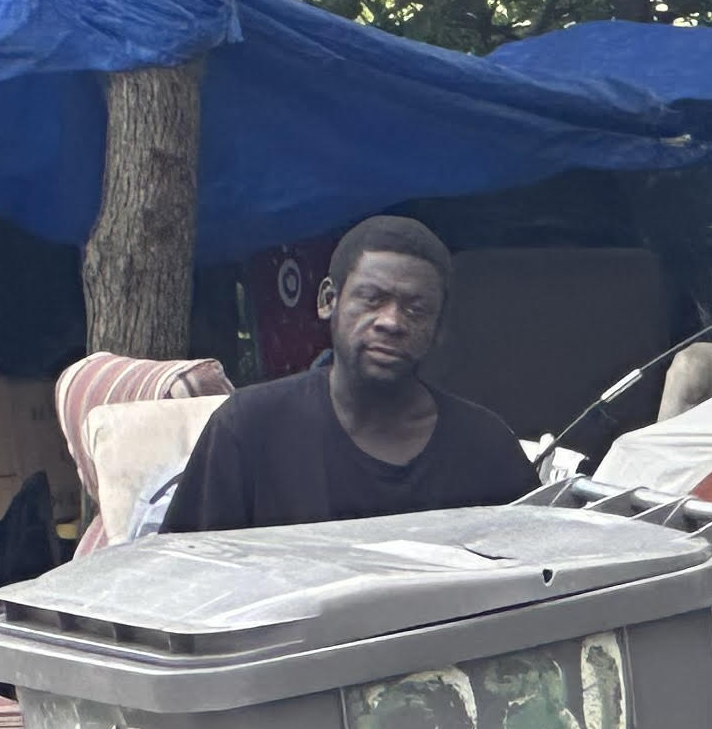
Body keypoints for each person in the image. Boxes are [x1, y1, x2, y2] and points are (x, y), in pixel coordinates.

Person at [157, 215, 533, 534]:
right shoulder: (249, 428)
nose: (391, 322)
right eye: (372, 299)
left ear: (437, 328)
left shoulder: (485, 448)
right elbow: (183, 579)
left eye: (416, 309)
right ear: (327, 300)